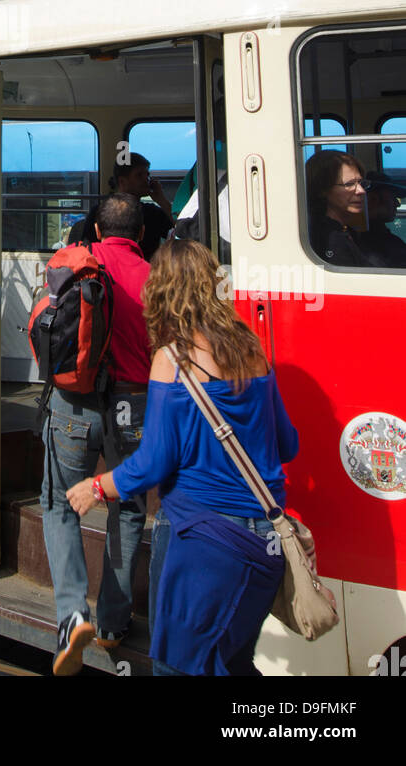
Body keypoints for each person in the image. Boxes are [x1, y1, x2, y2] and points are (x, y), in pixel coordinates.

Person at [67, 238, 299, 677]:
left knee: (176, 666)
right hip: (267, 541)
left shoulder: (172, 360)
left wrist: (98, 487)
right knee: (231, 661)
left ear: (163, 291)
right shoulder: (251, 348)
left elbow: (154, 461)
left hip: (204, 541)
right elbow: (288, 444)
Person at [41, 193, 151, 675]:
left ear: (98, 230)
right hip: (134, 406)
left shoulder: (78, 262)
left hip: (73, 404)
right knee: (127, 508)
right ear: (141, 235)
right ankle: (111, 622)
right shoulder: (156, 277)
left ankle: (72, 616)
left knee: (60, 502)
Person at [68, 151, 172, 261]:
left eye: (147, 174)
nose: (146, 179)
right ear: (122, 181)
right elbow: (87, 251)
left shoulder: (153, 213)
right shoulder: (99, 213)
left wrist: (161, 200)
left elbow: (179, 229)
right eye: (139, 175)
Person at [306, 150, 371, 266]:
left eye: (360, 183)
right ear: (323, 190)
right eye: (349, 184)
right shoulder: (329, 239)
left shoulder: (345, 230)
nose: (361, 191)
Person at [359, 171, 406, 267]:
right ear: (372, 199)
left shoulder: (388, 241)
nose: (398, 204)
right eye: (393, 197)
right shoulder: (367, 245)